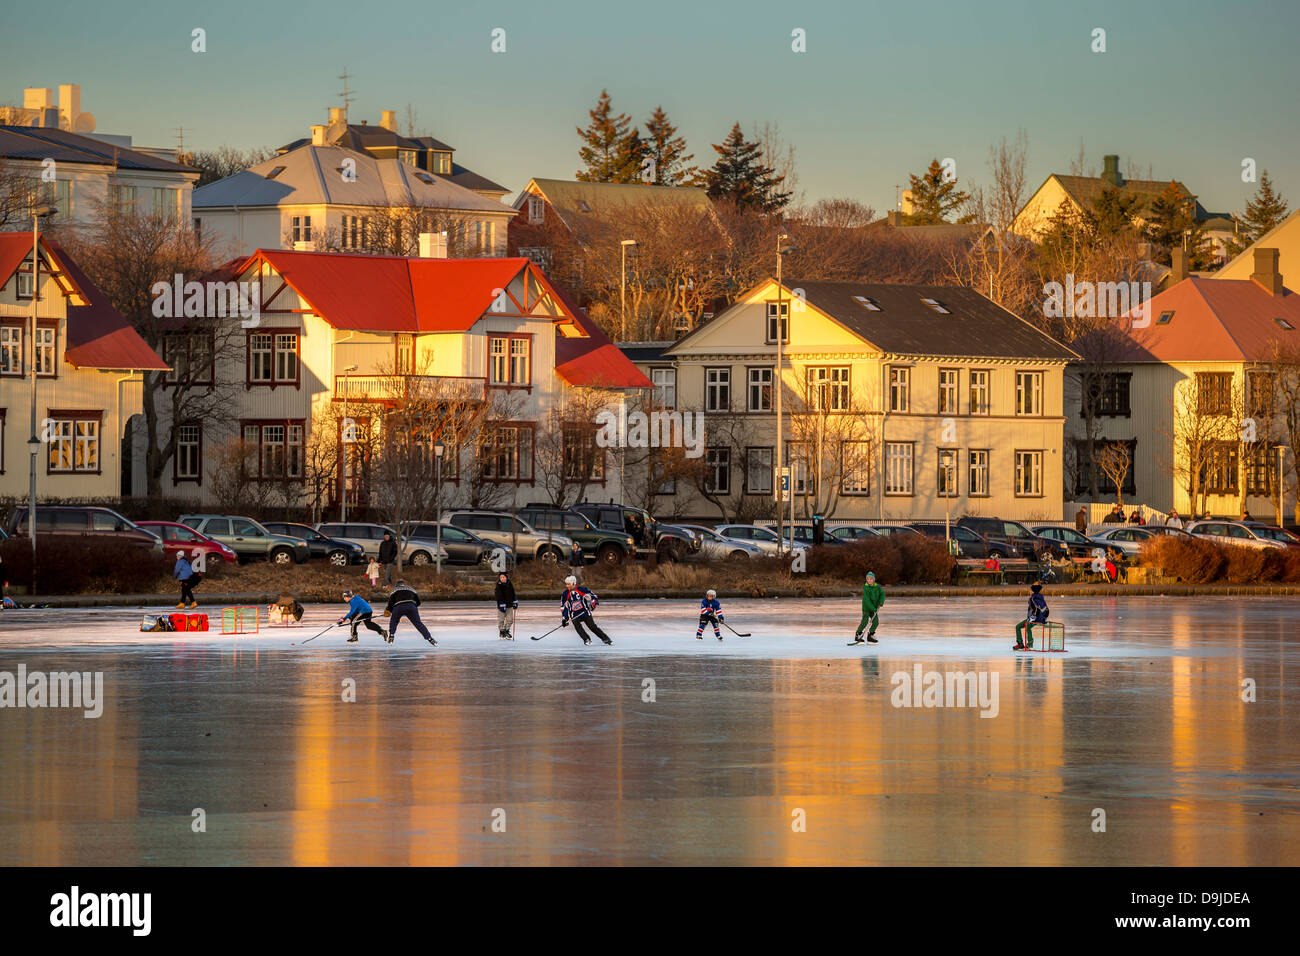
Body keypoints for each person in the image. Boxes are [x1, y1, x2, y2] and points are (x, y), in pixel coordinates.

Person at [560, 574, 611, 645]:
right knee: (578, 627)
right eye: (566, 584)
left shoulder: (583, 590)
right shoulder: (565, 594)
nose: (567, 586)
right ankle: (586, 639)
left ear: (573, 583)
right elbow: (563, 607)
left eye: (568, 584)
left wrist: (592, 604)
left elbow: (594, 597)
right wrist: (564, 618)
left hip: (585, 613)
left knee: (592, 627)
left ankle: (606, 639)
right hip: (574, 615)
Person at [384, 580, 435, 646]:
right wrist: (412, 607)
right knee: (418, 623)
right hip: (411, 606)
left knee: (393, 621)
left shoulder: (394, 590)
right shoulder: (411, 589)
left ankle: (391, 636)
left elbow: (390, 604)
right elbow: (418, 602)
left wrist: (389, 611)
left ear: (397, 585)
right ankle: (430, 638)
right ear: (403, 584)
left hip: (399, 607)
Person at [852, 571, 885, 645]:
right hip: (867, 608)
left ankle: (870, 635)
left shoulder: (877, 587)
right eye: (868, 579)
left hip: (874, 608)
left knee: (876, 622)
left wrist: (881, 602)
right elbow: (867, 600)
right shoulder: (866, 588)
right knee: (864, 622)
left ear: (873, 579)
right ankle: (858, 634)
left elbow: (882, 594)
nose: (869, 580)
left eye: (871, 579)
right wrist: (873, 609)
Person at [1014, 583, 1049, 650]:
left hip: (1035, 619)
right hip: (1040, 619)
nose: (1029, 592)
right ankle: (1021, 644)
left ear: (1033, 591)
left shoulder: (1032, 599)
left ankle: (1029, 644)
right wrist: (1044, 619)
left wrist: (1031, 619)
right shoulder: (1041, 599)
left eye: (1030, 590)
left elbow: (1036, 611)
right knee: (1018, 626)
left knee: (1026, 626)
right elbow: (1047, 610)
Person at [495, 571, 518, 640]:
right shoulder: (498, 586)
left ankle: (506, 630)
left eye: (503, 577)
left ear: (506, 578)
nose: (502, 579)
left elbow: (513, 593)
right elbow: (497, 596)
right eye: (501, 577)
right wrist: (501, 603)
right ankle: (502, 631)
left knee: (510, 620)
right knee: (501, 620)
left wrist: (515, 601)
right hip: (501, 606)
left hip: (509, 605)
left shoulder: (509, 584)